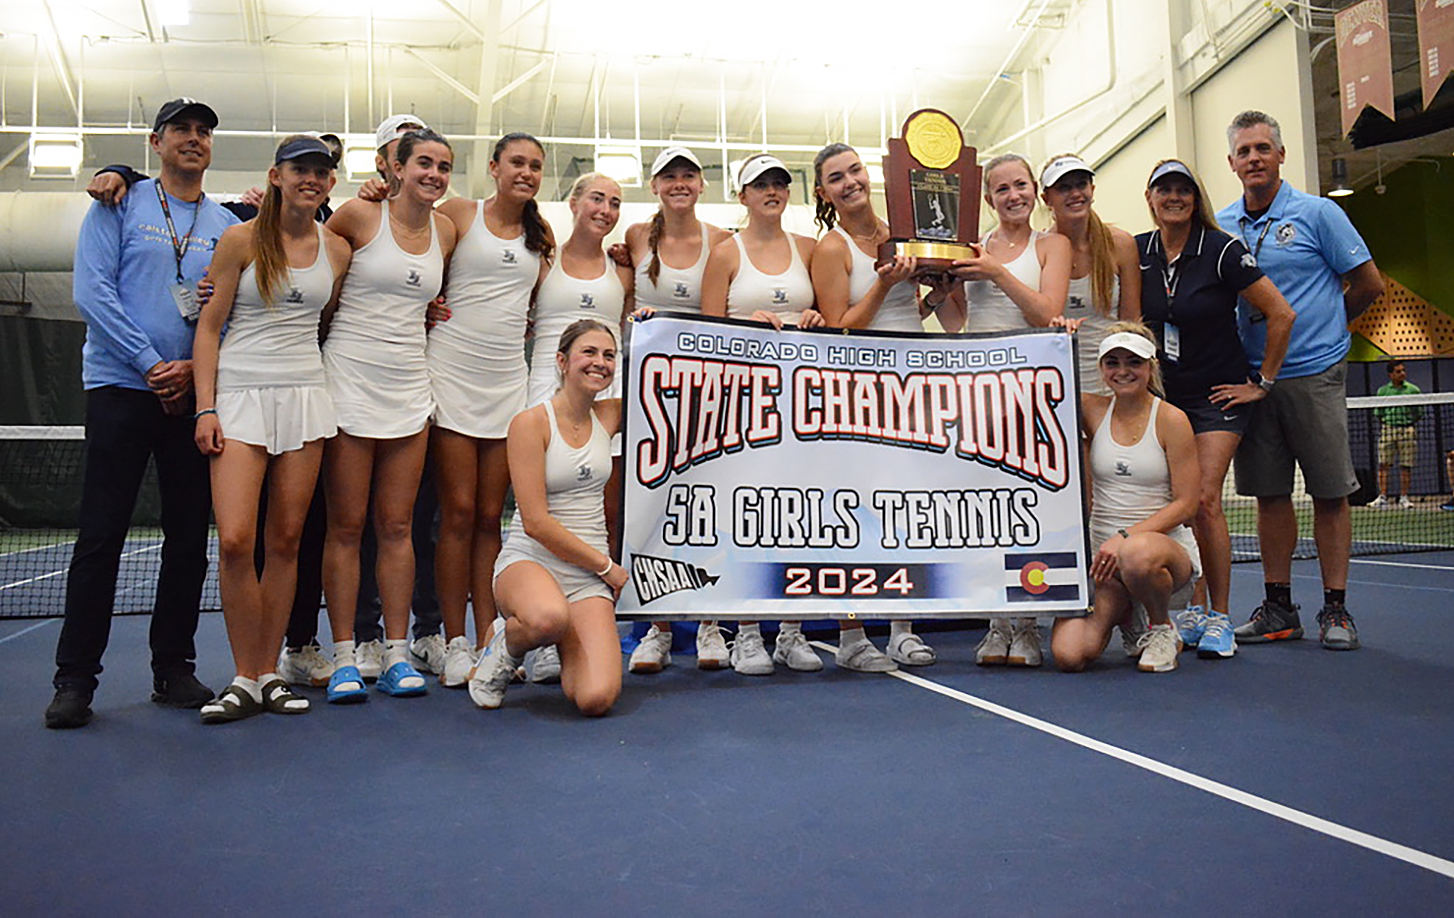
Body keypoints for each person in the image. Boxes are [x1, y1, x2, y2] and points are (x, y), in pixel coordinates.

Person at [46, 98, 240, 729]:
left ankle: (173, 668)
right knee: (101, 537)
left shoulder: (226, 223)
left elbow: (231, 307)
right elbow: (91, 290)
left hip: (193, 400)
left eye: (203, 131)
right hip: (120, 389)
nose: (194, 138)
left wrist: (191, 373)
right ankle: (75, 680)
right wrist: (150, 363)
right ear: (156, 143)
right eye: (182, 129)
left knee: (188, 540)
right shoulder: (116, 203)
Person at [189, 136, 352, 722]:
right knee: (236, 540)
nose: (311, 178)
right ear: (276, 176)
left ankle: (267, 672)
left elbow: (329, 323)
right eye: (299, 169)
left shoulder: (337, 251)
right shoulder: (238, 239)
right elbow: (208, 329)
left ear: (331, 184)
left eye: (321, 172)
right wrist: (206, 409)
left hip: (307, 399)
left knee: (285, 541)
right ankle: (241, 673)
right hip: (239, 396)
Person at [1217, 110, 1384, 651]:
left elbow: (1367, 283)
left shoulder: (1318, 214)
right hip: (1252, 382)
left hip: (1315, 376)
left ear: (1281, 155)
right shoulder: (1222, 224)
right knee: (1270, 495)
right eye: (1244, 152)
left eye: (1263, 148)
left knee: (1331, 494)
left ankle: (1336, 609)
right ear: (1232, 163)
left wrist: (1327, 330)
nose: (1254, 159)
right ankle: (1278, 607)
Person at [318, 128, 458, 702]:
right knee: (347, 528)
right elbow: (311, 277)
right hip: (348, 382)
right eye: (423, 162)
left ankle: (399, 653)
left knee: (398, 527)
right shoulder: (355, 215)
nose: (434, 174)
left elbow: (432, 300)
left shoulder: (446, 231)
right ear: (394, 168)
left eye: (444, 166)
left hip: (410, 389)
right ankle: (348, 654)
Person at [1138, 158, 1295, 660]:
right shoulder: (1138, 251)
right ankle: (1196, 611)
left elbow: (1280, 312)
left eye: (1183, 189)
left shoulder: (1222, 249)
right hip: (1163, 399)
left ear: (1196, 196)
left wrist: (1261, 383)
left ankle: (1222, 618)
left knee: (1203, 500)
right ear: (1151, 198)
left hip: (1216, 400)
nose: (1174, 197)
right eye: (1164, 189)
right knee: (1174, 506)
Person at [807, 140, 952, 670]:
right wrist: (885, 284)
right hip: (858, 391)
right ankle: (852, 636)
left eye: (854, 171)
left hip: (914, 387)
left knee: (904, 507)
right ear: (824, 192)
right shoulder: (833, 247)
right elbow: (840, 325)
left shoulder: (903, 233)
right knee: (856, 511)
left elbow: (911, 310)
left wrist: (931, 295)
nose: (850, 183)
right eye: (836, 178)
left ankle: (902, 628)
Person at [426, 132, 554, 687]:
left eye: (535, 166)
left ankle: (489, 634)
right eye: (516, 163)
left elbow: (548, 296)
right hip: (452, 377)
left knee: (488, 519)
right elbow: (403, 240)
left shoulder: (540, 234)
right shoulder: (456, 213)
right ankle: (454, 641)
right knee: (454, 515)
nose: (525, 172)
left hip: (509, 386)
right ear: (495, 168)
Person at [701, 152, 826, 675]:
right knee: (748, 516)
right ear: (742, 195)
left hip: (804, 405)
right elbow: (703, 338)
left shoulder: (810, 249)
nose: (771, 191)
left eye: (779, 183)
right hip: (746, 404)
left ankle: (792, 632)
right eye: (759, 185)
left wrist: (817, 318)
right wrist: (742, 329)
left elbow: (832, 320)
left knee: (800, 517)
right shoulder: (725, 253)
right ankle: (747, 631)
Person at [946, 152, 1071, 668]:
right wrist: (946, 287)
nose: (1014, 196)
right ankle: (996, 620)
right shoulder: (974, 249)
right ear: (988, 199)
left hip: (1033, 395)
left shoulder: (1053, 244)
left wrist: (996, 273)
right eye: (1002, 190)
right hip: (979, 395)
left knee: (1029, 511)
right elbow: (955, 324)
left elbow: (1047, 312)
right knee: (987, 510)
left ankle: (1027, 624)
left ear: (1034, 190)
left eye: (1021, 185)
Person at [467, 319, 626, 716]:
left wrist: (650, 324)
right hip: (531, 560)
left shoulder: (610, 416)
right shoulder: (530, 423)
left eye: (609, 355)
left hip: (585, 577)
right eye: (588, 352)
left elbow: (673, 373)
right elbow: (536, 523)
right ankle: (505, 641)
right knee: (547, 618)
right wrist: (607, 567)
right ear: (561, 360)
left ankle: (557, 636)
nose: (600, 363)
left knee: (595, 699)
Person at [617, 146, 735, 674]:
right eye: (670, 176)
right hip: (649, 394)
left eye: (689, 175)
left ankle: (711, 624)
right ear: (655, 185)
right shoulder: (637, 237)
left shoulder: (723, 241)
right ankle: (656, 628)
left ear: (702, 185)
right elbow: (623, 304)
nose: (680, 183)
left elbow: (723, 319)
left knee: (707, 507)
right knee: (652, 507)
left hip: (708, 394)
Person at [518, 171, 630, 685]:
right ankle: (531, 626)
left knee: (598, 506)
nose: (604, 209)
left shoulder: (621, 271)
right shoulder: (542, 263)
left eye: (614, 202)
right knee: (538, 510)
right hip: (546, 394)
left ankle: (586, 616)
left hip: (600, 400)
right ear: (573, 203)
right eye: (595, 198)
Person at [1051, 323, 1201, 674]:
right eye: (1112, 363)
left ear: (1151, 367)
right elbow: (1042, 385)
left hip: (1159, 554)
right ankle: (1128, 613)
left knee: (1136, 554)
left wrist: (1125, 537)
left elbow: (1186, 504)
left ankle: (1161, 627)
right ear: (1102, 369)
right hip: (1103, 562)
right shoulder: (1092, 409)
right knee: (1069, 655)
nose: (1123, 371)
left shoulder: (1172, 419)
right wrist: (1058, 338)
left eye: (1133, 362)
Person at [1038, 153, 1141, 395]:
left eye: (1081, 185)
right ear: (1046, 198)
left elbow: (1131, 322)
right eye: (1064, 188)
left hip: (1112, 384)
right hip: (1057, 385)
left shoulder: (1120, 244)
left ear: (1092, 189)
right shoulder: (1039, 249)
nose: (1075, 194)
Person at [1371, 360, 1420, 509]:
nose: (1402, 373)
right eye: (1398, 371)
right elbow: (1378, 413)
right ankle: (1382, 497)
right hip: (1388, 429)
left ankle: (1404, 498)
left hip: (1407, 430)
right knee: (1383, 464)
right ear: (1390, 375)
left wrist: (1408, 423)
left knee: (1406, 465)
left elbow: (1418, 413)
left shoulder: (1413, 390)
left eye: (1403, 370)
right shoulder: (1383, 391)